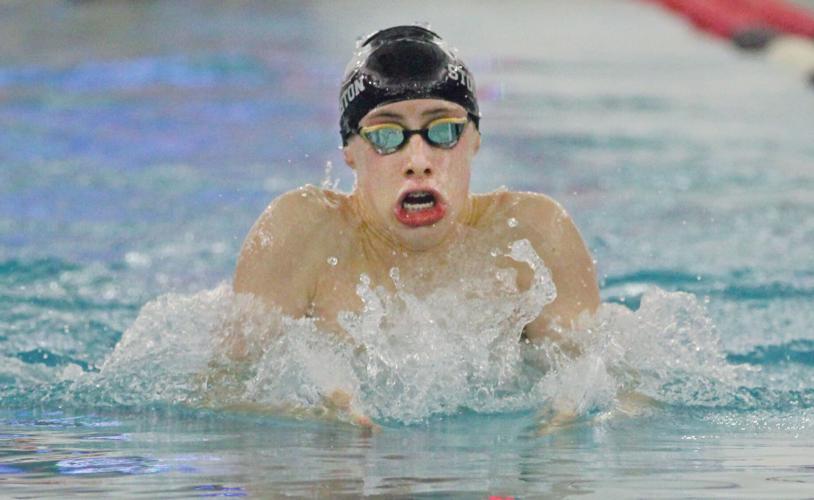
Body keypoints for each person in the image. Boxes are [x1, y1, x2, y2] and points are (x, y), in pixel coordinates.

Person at [229, 25, 600, 425]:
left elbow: (603, 380)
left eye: (443, 130)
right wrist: (304, 410)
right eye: (387, 135)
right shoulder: (301, 235)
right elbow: (226, 387)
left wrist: (570, 415)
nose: (418, 159)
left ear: (475, 138)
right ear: (349, 151)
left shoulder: (532, 236)